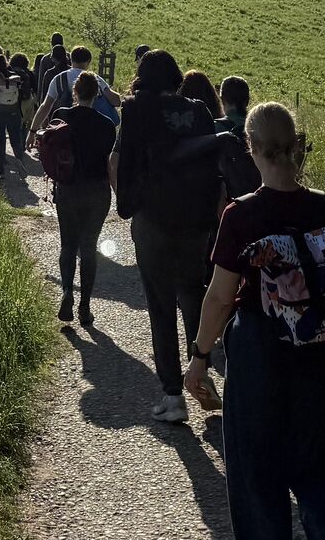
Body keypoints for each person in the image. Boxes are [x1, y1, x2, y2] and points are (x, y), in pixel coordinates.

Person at [185, 102, 325, 540]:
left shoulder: (241, 214)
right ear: (295, 146)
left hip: (258, 352)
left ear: (251, 148)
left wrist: (199, 357)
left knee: (255, 474)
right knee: (313, 467)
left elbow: (218, 297)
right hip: (317, 351)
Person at [111, 49, 222, 424]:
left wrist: (126, 205)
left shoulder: (136, 110)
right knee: (193, 297)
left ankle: (173, 397)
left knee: (160, 306)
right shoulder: (200, 112)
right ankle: (202, 373)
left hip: (153, 219)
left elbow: (125, 163)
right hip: (195, 222)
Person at [51, 70, 118, 326]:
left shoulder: (61, 117)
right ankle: (85, 306)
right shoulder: (106, 125)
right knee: (89, 247)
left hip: (67, 188)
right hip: (96, 191)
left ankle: (67, 290)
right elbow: (109, 165)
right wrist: (117, 192)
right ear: (97, 94)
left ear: (74, 93)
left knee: (68, 244)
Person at [32, 44, 122, 133]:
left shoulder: (59, 79)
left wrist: (32, 131)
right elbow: (116, 101)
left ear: (71, 60)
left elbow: (45, 106)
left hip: (65, 132)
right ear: (89, 61)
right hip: (91, 130)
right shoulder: (94, 79)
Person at [0, 53, 25, 177]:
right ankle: (19, 160)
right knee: (16, 140)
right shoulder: (16, 76)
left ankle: (0, 171)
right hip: (14, 112)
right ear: (7, 63)